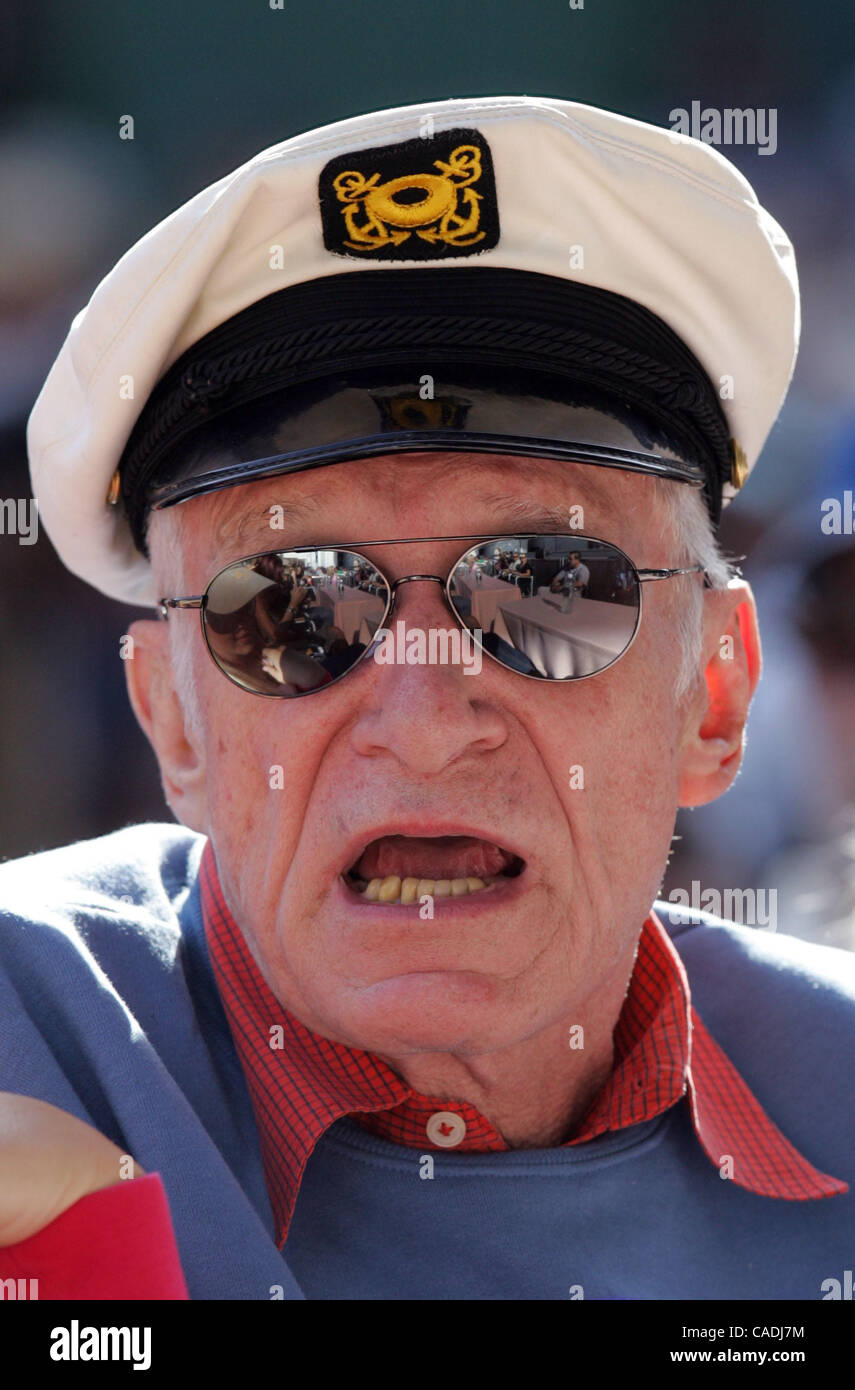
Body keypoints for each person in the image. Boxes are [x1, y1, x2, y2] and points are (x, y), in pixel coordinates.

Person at [3, 94, 853, 1301]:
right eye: (292, 608)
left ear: (713, 696)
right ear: (174, 722)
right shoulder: (22, 1041)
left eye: (552, 588)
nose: (424, 720)